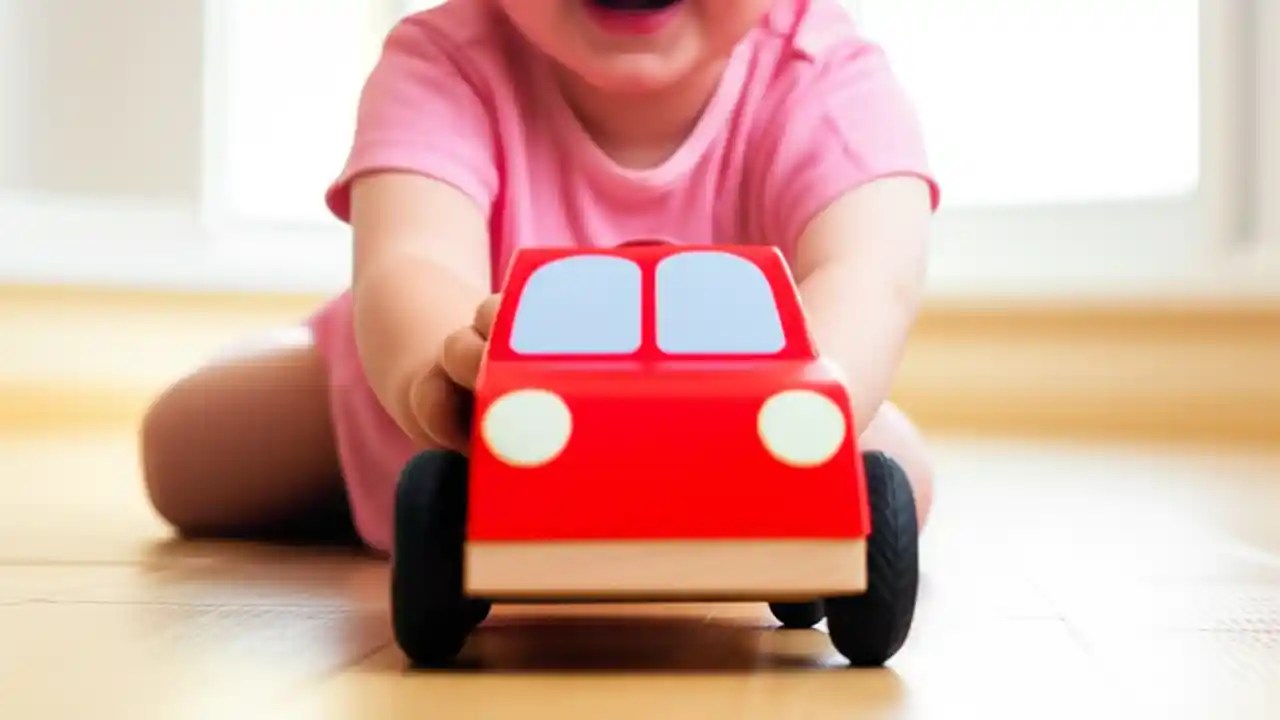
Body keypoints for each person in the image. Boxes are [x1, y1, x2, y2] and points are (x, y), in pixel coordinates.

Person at [140, 0, 940, 555]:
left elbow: (868, 276)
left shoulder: (827, 80)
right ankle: (330, 431)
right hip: (450, 420)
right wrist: (439, 382)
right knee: (182, 450)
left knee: (899, 471)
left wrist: (814, 409)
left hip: (743, 430)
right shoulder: (445, 61)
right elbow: (414, 260)